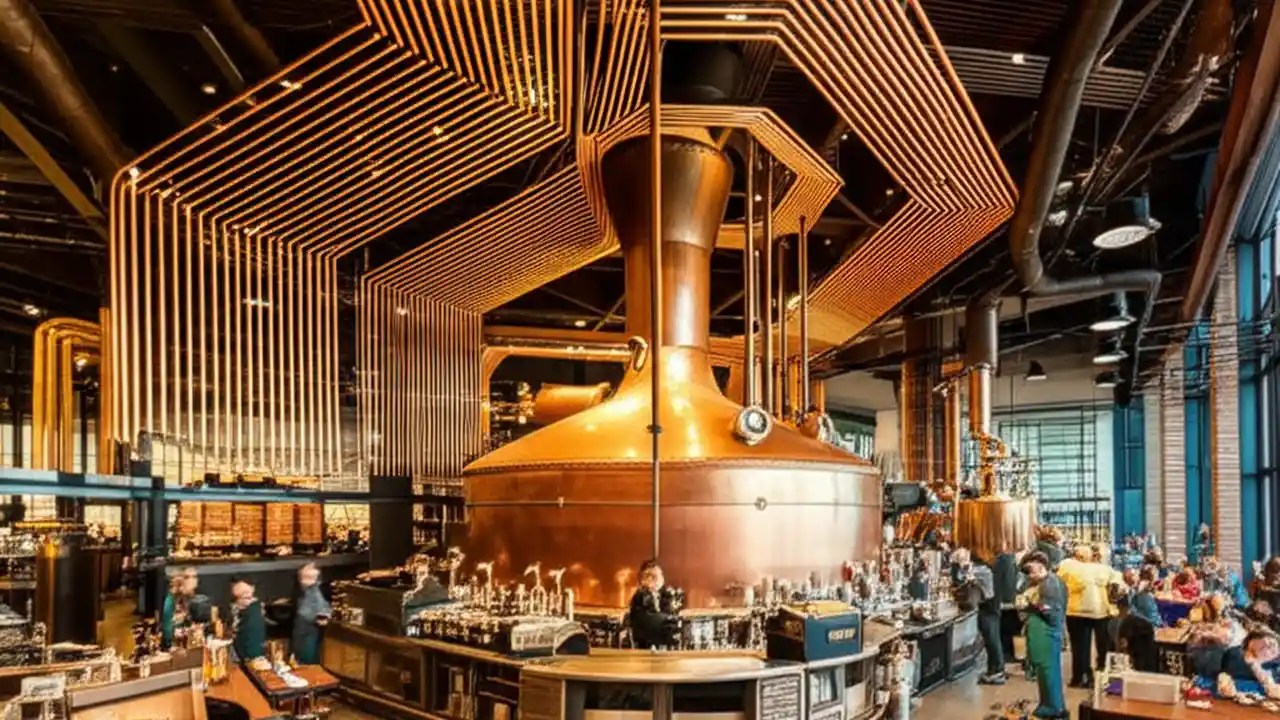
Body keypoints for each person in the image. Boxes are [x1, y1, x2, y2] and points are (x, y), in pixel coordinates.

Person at [1020, 551, 1068, 719]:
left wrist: (1030, 604)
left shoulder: (1050, 585)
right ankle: (1050, 704)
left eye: (1031, 571)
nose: (1029, 576)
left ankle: (1053, 707)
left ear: (1041, 567)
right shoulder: (1048, 582)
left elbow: (1051, 613)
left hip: (1047, 634)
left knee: (1048, 671)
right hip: (1045, 633)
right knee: (1045, 671)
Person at [1058, 545, 1110, 688]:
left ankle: (1079, 677)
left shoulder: (1067, 566)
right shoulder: (1101, 569)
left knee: (1079, 646)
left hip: (1076, 611)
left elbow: (1059, 580)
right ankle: (1101, 675)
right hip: (1099, 610)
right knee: (1102, 644)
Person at [952, 548, 1005, 685]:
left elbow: (962, 579)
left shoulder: (982, 570)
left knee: (991, 638)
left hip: (988, 607)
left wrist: (962, 566)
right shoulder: (987, 568)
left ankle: (997, 671)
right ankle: (994, 670)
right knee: (991, 638)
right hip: (991, 606)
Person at [628, 560, 680, 650]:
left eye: (661, 575)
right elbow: (643, 619)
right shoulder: (640, 596)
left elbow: (670, 612)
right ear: (647, 579)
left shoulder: (666, 595)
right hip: (645, 642)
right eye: (657, 576)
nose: (661, 579)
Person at [292, 562, 332, 665]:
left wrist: (326, 616)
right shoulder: (302, 590)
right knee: (302, 656)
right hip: (302, 624)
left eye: (311, 578)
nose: (306, 582)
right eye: (304, 578)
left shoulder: (319, 590)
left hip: (313, 626)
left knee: (310, 657)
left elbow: (324, 606)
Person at [1114, 594, 1158, 672]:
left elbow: (1122, 645)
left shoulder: (1123, 623)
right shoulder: (1142, 619)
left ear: (1119, 607)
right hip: (1149, 660)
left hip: (1136, 660)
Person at [161, 567, 198, 650]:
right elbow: (168, 630)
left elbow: (188, 621)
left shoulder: (185, 598)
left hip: (185, 642)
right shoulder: (170, 601)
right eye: (188, 578)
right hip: (173, 647)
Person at [230, 577, 267, 661]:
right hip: (241, 653)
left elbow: (254, 644)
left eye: (247, 594)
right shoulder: (234, 608)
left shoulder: (254, 611)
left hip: (250, 657)